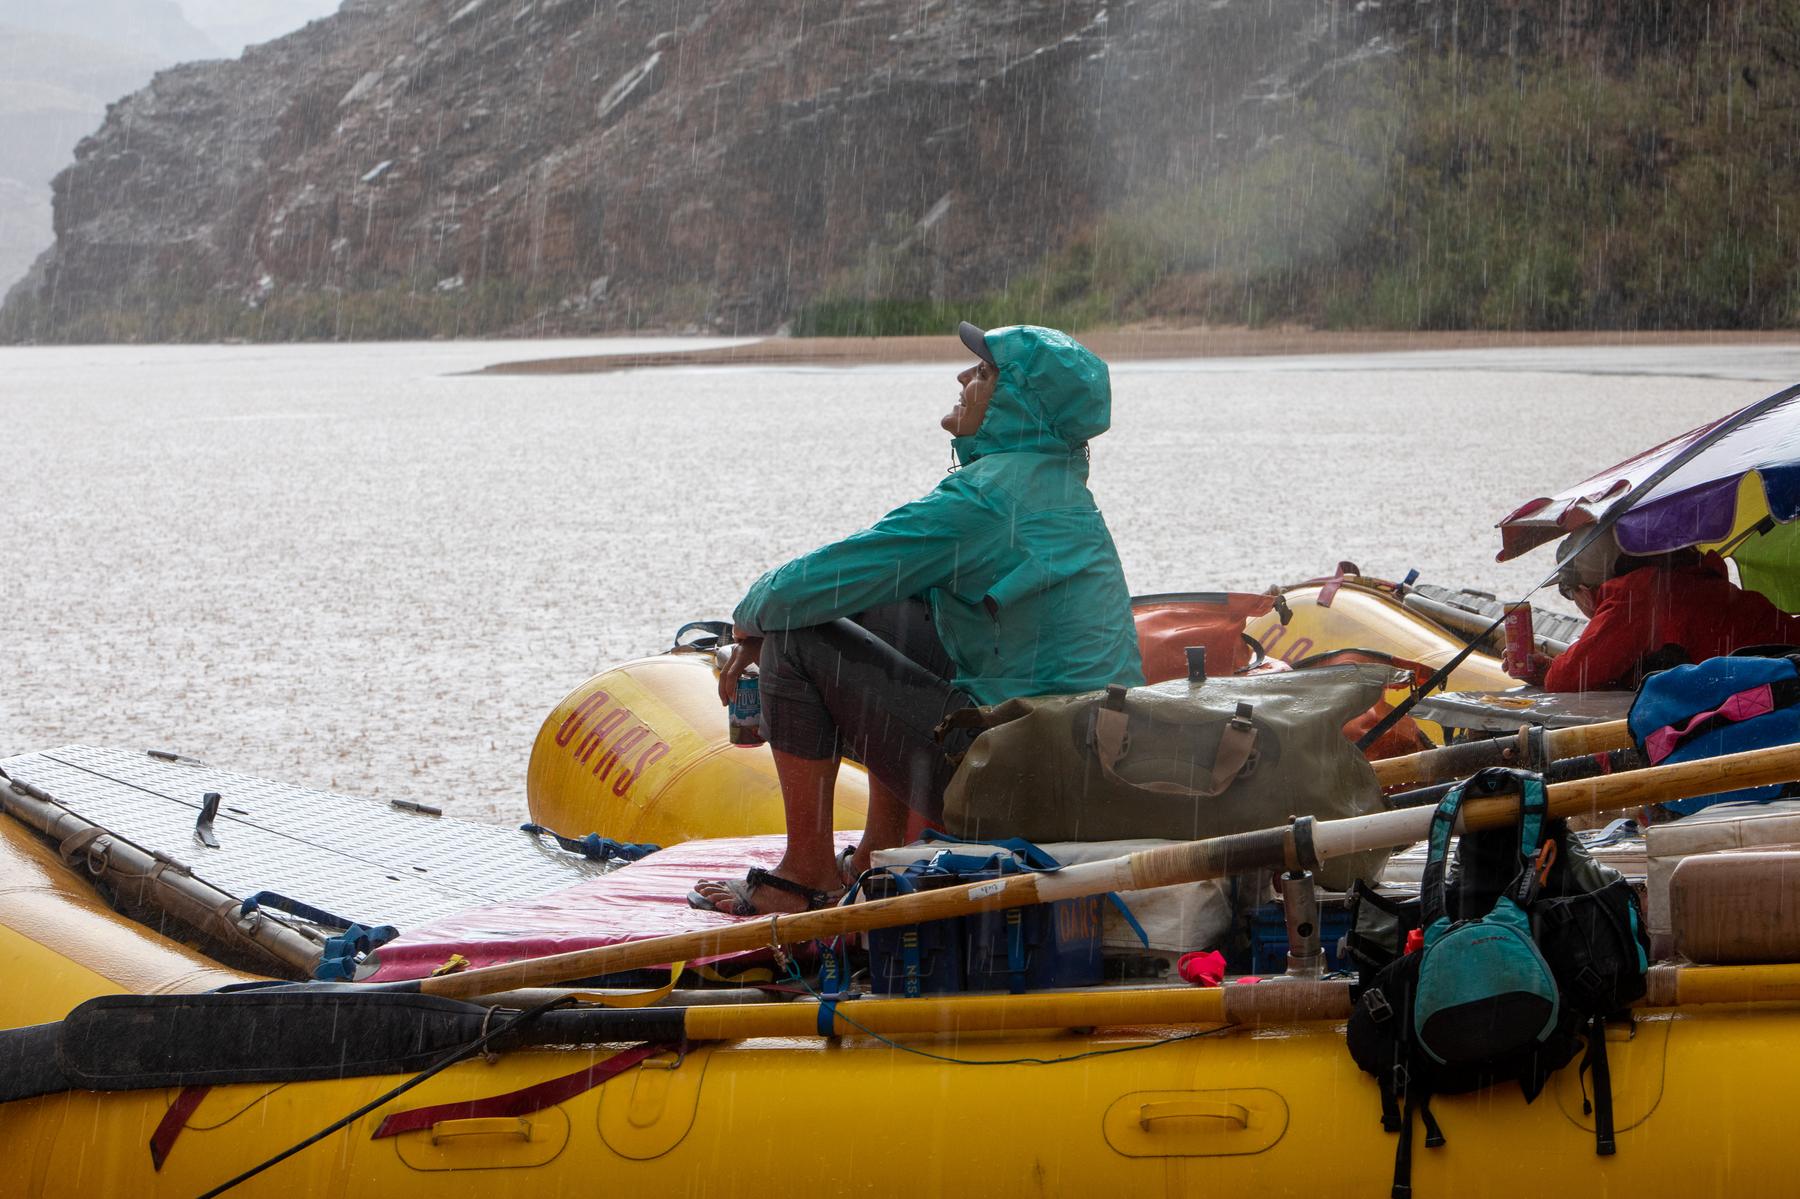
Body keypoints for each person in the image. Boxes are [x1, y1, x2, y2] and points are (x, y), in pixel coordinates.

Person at [689, 323, 1145, 916]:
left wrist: (749, 629)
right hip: (1073, 767)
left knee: (796, 637)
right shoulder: (1053, 484)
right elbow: (862, 585)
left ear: (1019, 403)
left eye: (983, 373)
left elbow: (806, 586)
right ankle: (879, 851)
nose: (962, 378)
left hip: (1019, 784)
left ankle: (803, 877)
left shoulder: (986, 498)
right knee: (891, 608)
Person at [1528, 528, 1800, 692]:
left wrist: (1548, 673)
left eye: (1567, 592)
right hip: (1784, 668)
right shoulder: (1686, 579)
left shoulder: (1634, 596)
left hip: (1784, 683)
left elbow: (1571, 678)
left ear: (1585, 590)